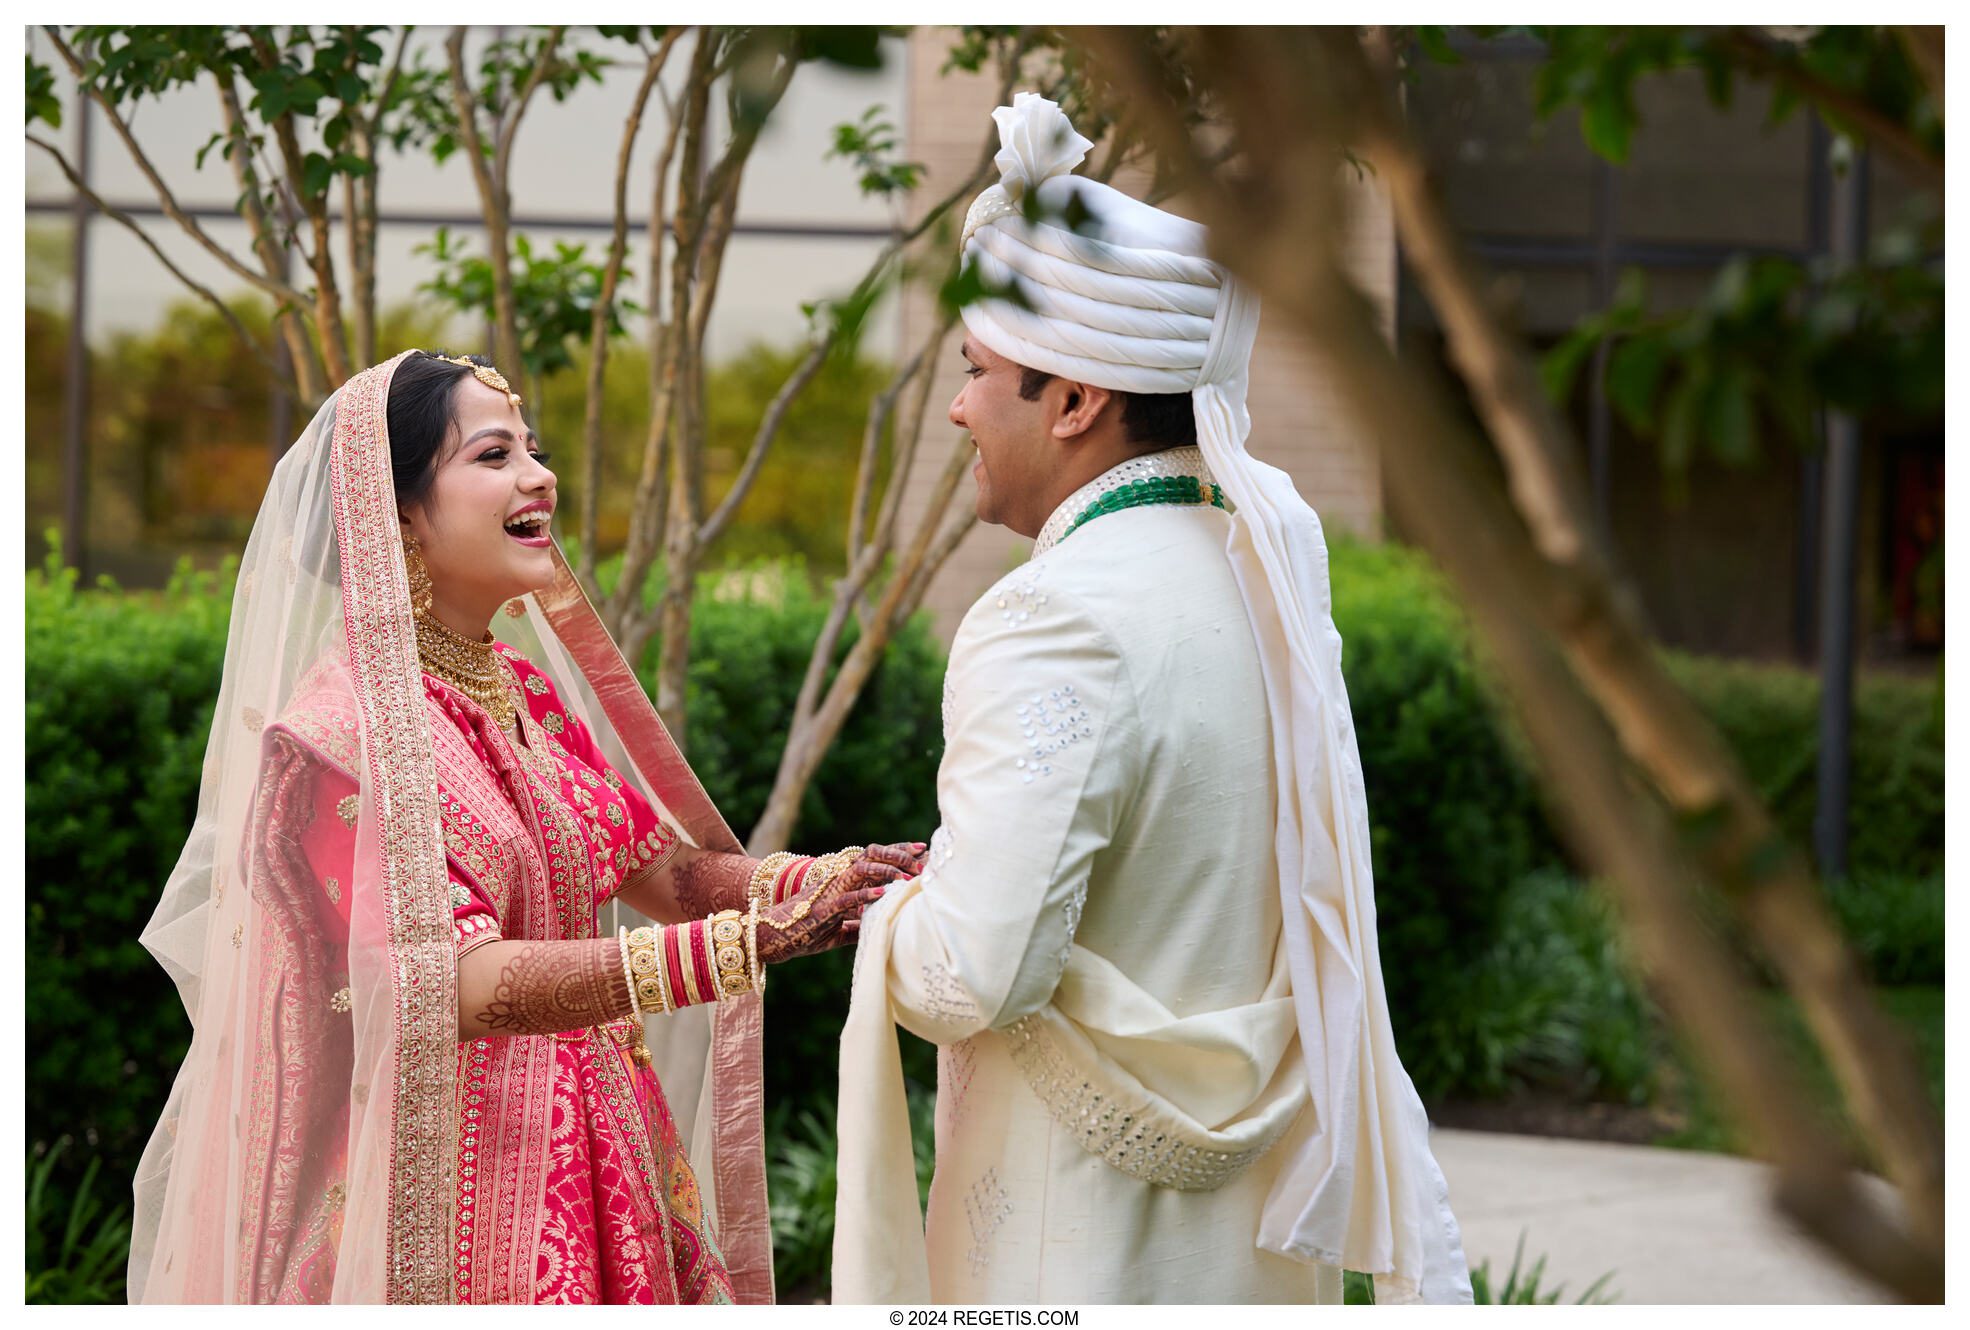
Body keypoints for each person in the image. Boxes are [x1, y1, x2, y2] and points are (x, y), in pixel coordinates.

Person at [833, 94, 1471, 1304]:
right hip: (1244, 1240)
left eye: (976, 372)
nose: (958, 408)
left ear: (1073, 400)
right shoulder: (1260, 577)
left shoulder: (1047, 615)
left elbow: (973, 972)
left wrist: (883, 908)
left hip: (1074, 1234)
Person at [127, 350, 921, 1303]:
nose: (540, 477)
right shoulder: (341, 738)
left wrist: (831, 884)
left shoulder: (522, 693)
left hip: (602, 1154)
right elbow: (445, 979)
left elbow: (661, 870)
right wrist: (736, 949)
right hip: (449, 1191)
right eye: (495, 455)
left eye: (533, 450)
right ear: (402, 516)